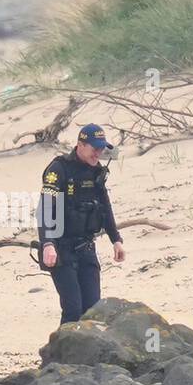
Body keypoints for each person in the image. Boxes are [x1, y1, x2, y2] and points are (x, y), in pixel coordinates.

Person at [37, 124, 126, 325]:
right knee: (73, 308)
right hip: (61, 248)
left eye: (101, 149)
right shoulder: (58, 170)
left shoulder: (97, 172)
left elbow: (105, 205)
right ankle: (60, 355)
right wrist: (48, 244)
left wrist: (116, 239)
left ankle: (86, 356)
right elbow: (45, 209)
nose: (98, 153)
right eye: (94, 148)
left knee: (92, 310)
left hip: (86, 247)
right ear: (80, 145)